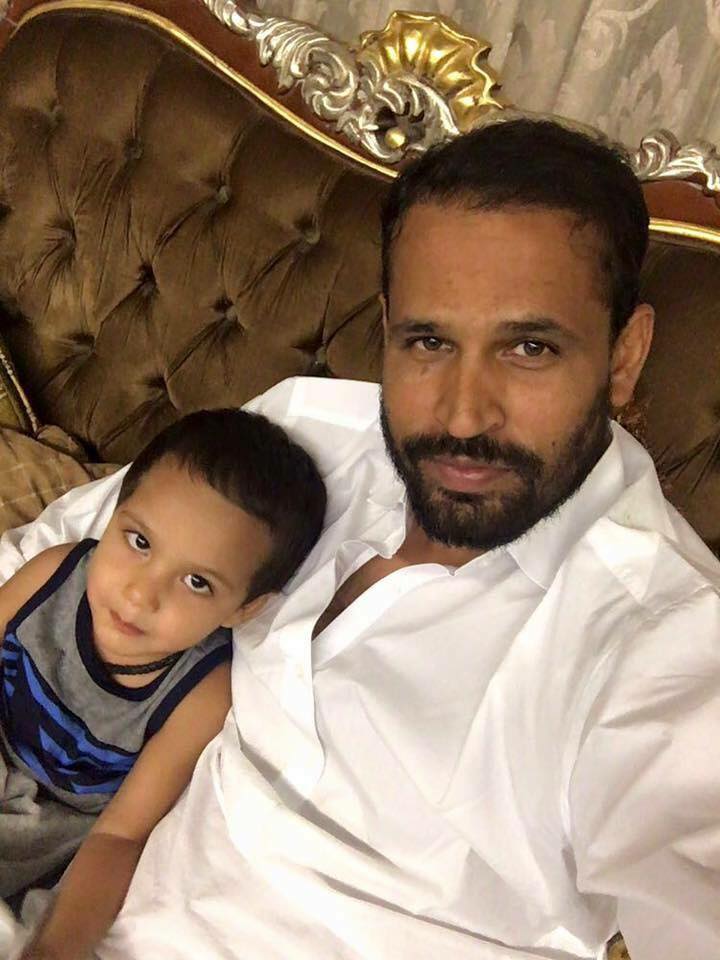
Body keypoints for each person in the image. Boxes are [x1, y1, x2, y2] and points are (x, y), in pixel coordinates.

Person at [0, 117, 718, 960]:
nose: (462, 415)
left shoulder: (664, 646)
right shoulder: (306, 430)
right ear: (387, 327)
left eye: (529, 347)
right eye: (428, 341)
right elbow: (64, 553)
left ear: (624, 356)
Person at [0, 409, 326, 960]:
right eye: (139, 541)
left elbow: (119, 836)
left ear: (243, 609)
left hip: (54, 825)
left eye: (197, 582)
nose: (141, 594)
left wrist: (53, 950)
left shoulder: (200, 692)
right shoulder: (54, 573)